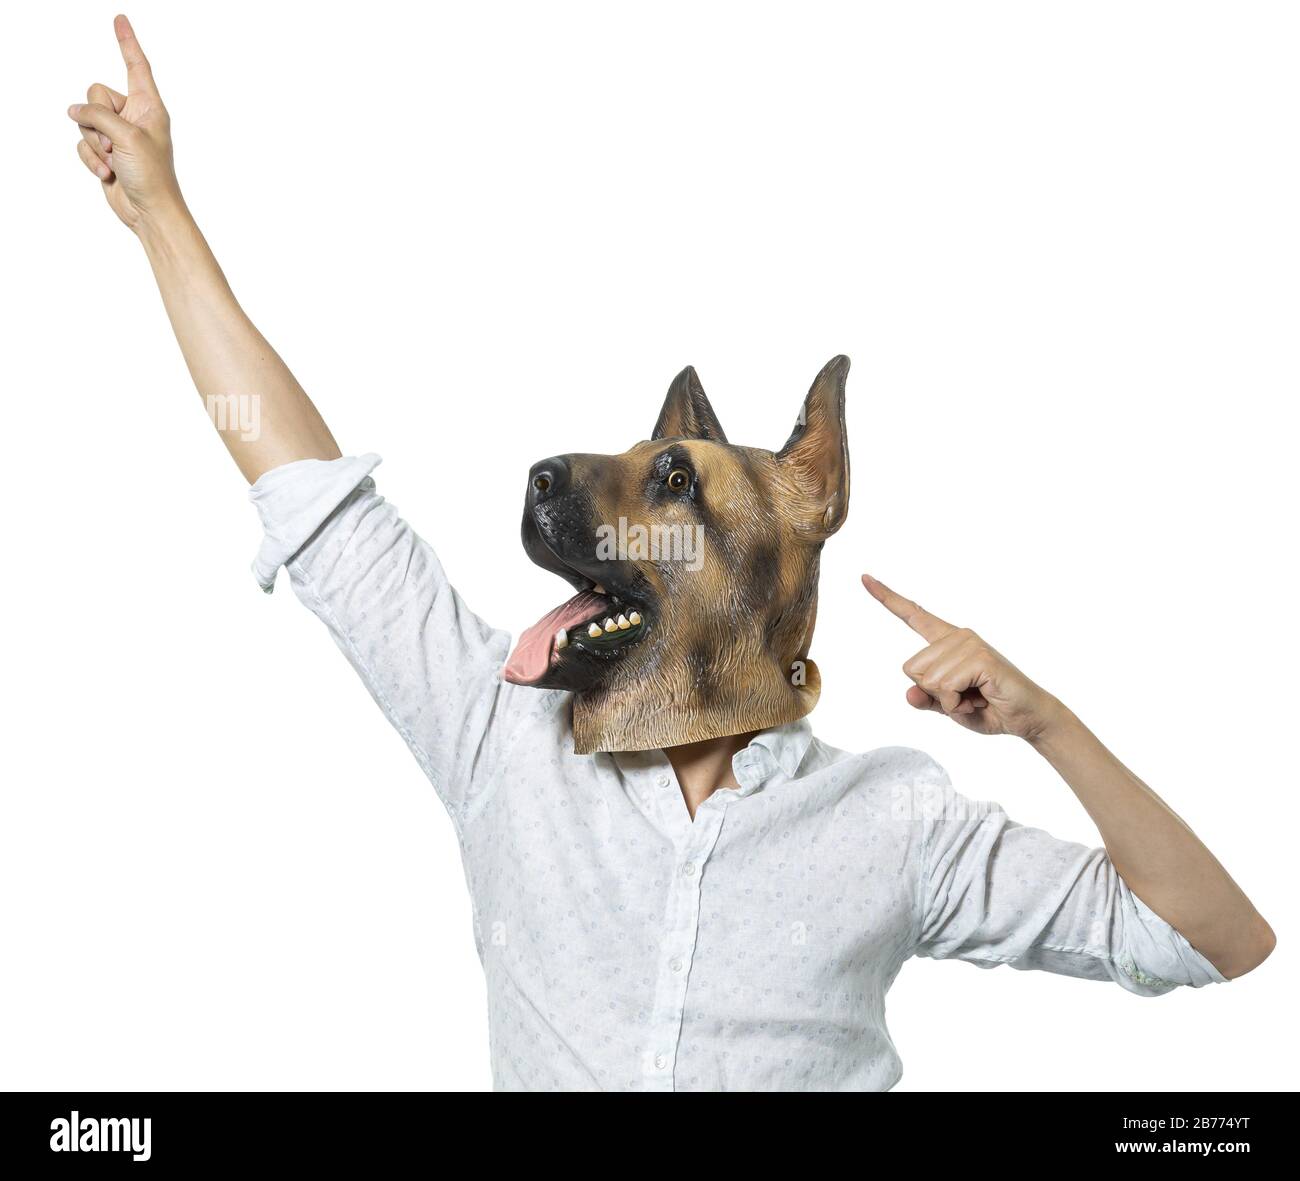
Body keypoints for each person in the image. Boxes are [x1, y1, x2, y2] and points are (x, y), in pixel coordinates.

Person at [67, 15, 1274, 1092]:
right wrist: (162, 216)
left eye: (671, 491)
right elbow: (303, 488)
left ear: (795, 519)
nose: (596, 486)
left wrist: (1047, 723)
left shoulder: (895, 822)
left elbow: (1213, 936)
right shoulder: (502, 737)